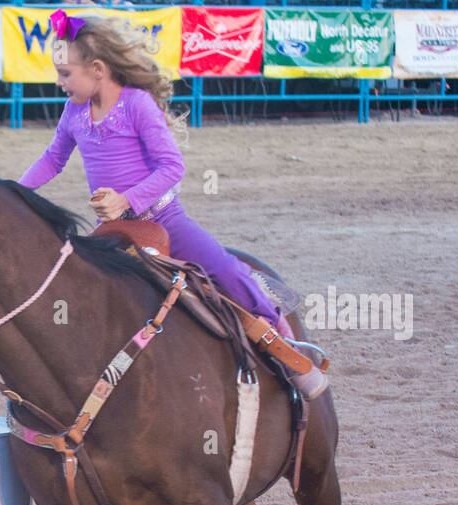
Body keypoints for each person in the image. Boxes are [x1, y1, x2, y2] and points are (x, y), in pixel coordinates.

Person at [17, 10, 327, 399]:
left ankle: (281, 343)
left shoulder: (137, 105)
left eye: (65, 74)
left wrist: (127, 199)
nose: (59, 83)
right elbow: (52, 159)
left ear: (97, 69)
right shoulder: (74, 113)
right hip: (112, 230)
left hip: (163, 220)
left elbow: (172, 166)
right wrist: (13, 190)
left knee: (225, 270)